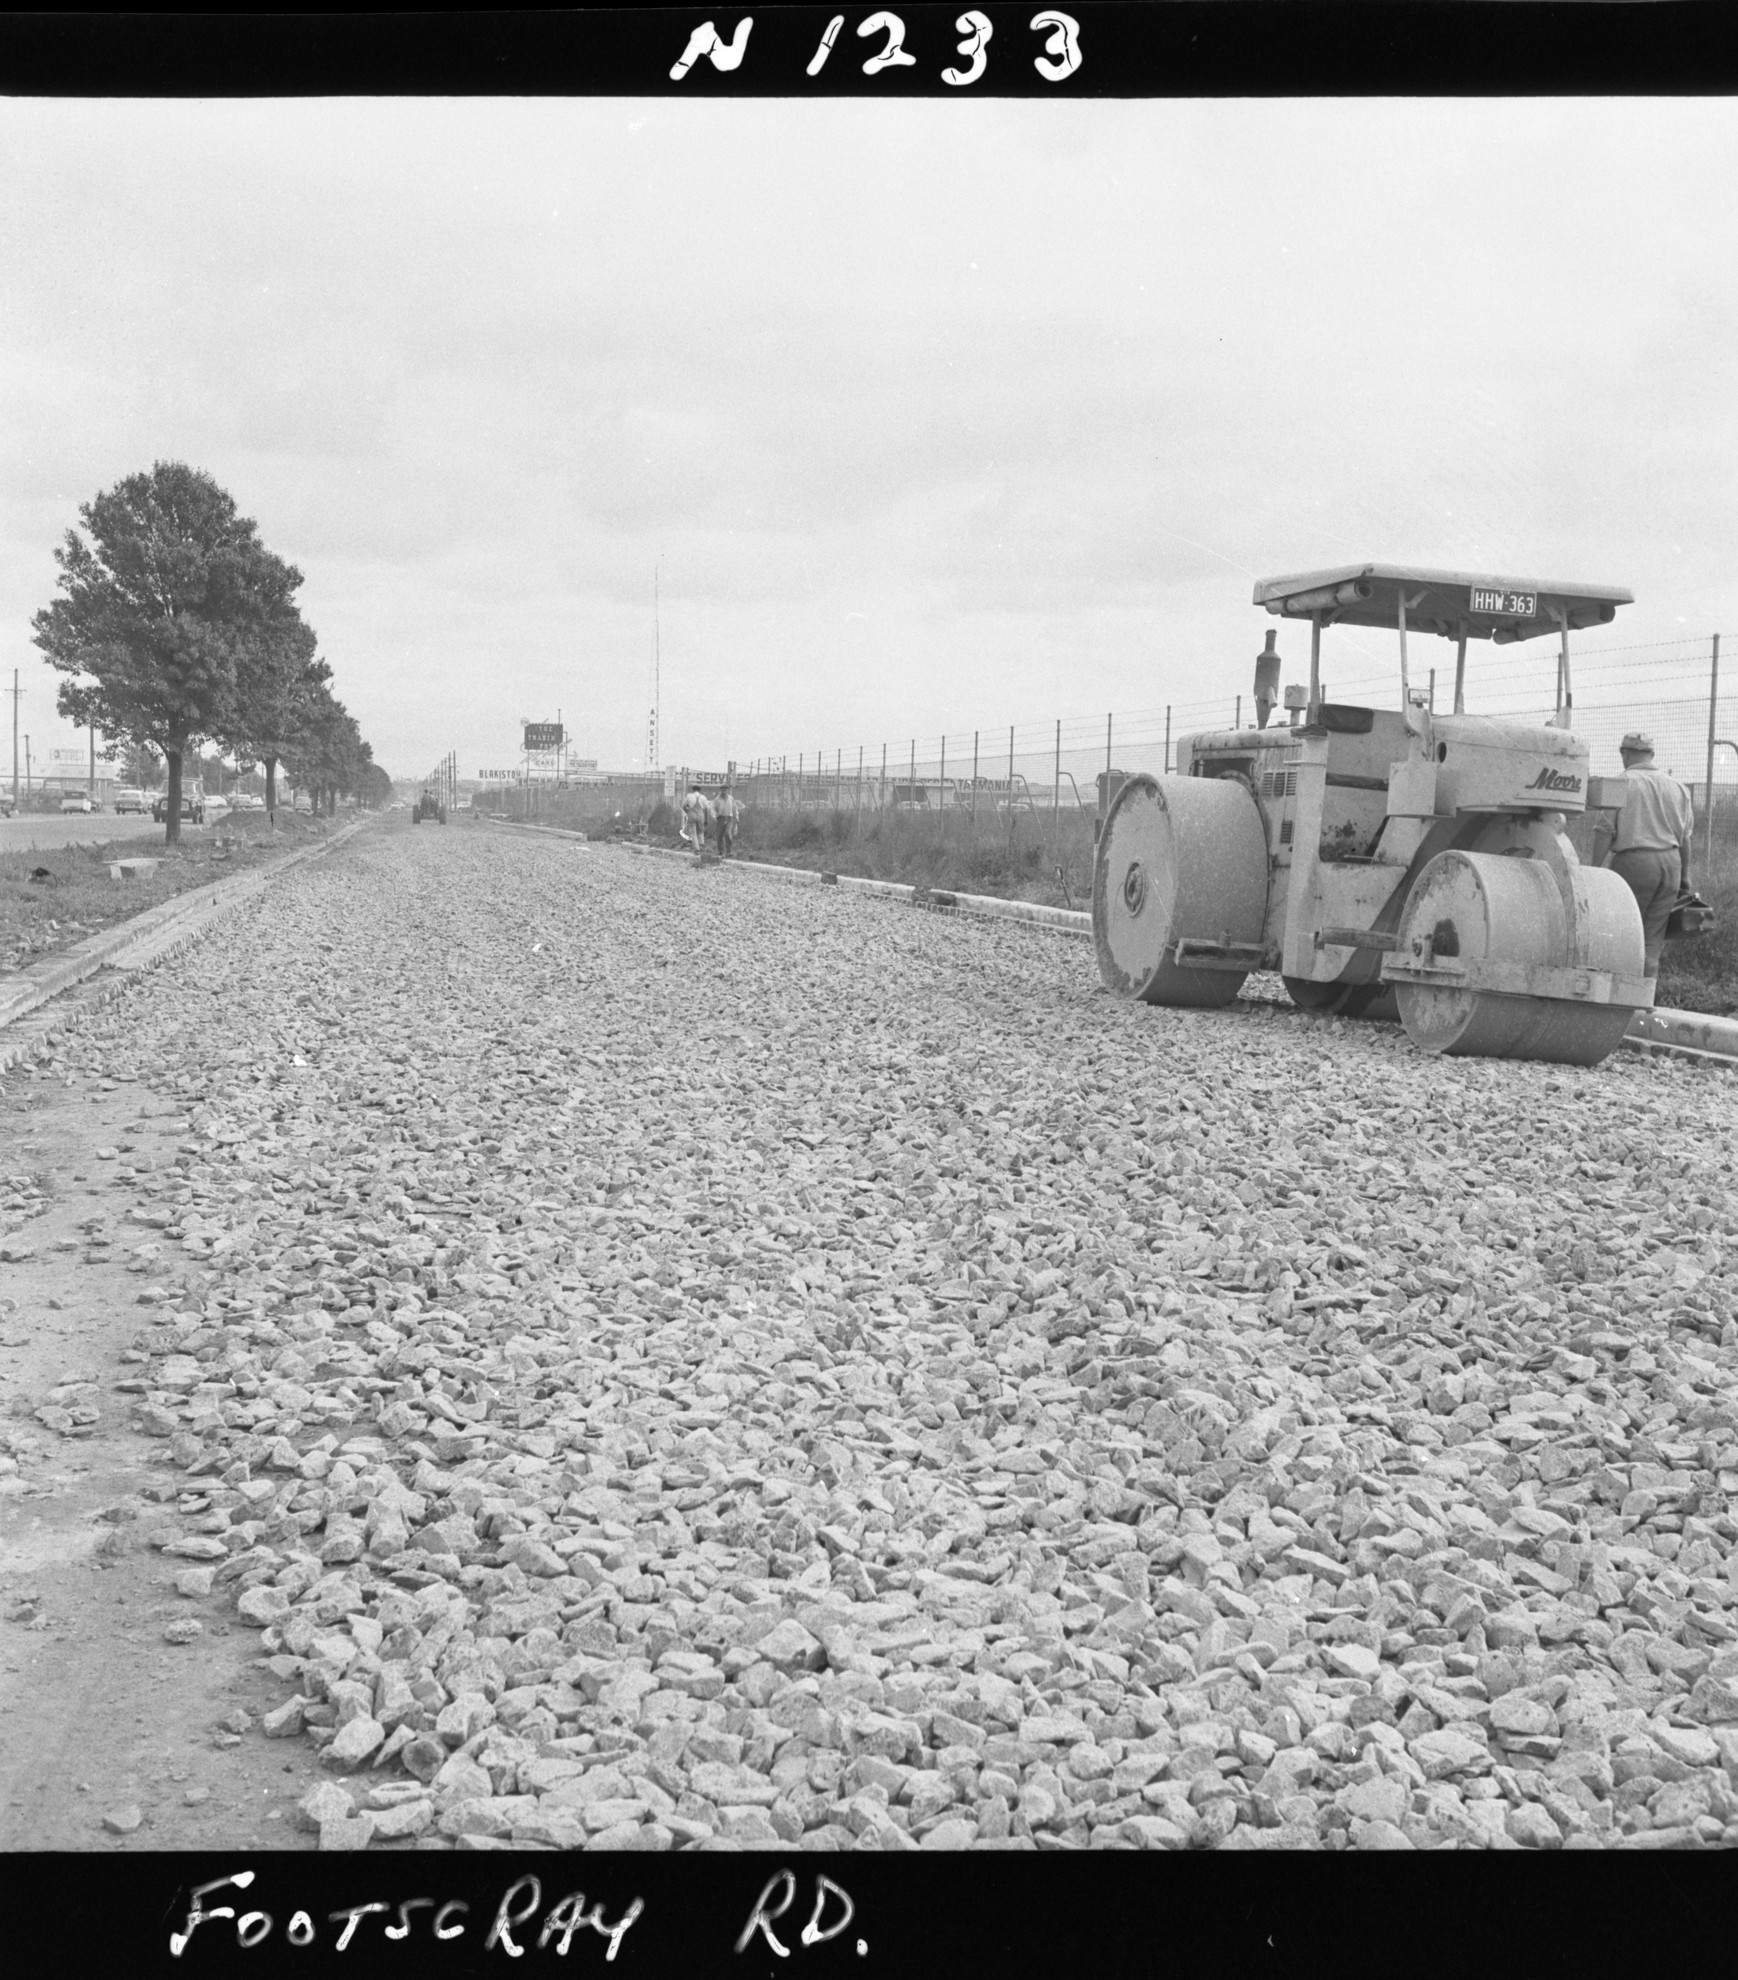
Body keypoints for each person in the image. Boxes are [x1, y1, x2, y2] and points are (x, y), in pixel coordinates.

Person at [1594, 731, 1694, 977]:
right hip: (1670, 864)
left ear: (1625, 754)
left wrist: (1593, 871)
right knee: (1652, 939)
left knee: (1625, 934)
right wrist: (1685, 879)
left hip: (1634, 863)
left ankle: (1620, 992)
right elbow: (1684, 839)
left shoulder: (1619, 783)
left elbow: (1605, 831)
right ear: (1652, 755)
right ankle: (1646, 994)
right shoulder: (1678, 787)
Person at [680, 783, 712, 854]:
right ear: (699, 790)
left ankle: (697, 849)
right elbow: (707, 809)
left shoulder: (689, 796)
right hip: (701, 816)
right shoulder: (703, 797)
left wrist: (687, 811)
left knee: (693, 832)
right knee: (700, 831)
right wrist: (706, 820)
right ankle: (701, 845)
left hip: (691, 816)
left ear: (693, 790)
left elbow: (684, 806)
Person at [714, 783, 742, 857]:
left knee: (727, 834)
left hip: (729, 818)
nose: (724, 791)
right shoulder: (717, 799)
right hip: (720, 818)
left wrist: (737, 817)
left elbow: (735, 808)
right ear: (720, 790)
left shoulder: (731, 798)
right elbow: (713, 808)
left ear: (727, 791)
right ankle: (720, 851)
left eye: (725, 790)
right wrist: (714, 816)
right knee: (719, 835)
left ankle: (729, 851)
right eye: (722, 790)